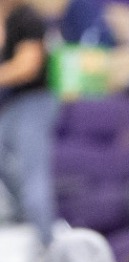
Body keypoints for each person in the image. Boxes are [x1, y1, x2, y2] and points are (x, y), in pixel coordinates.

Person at [0, 0, 53, 244]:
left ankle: (46, 242)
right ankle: (23, 215)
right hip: (8, 106)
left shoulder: (26, 17)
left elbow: (28, 66)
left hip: (34, 100)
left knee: (33, 171)